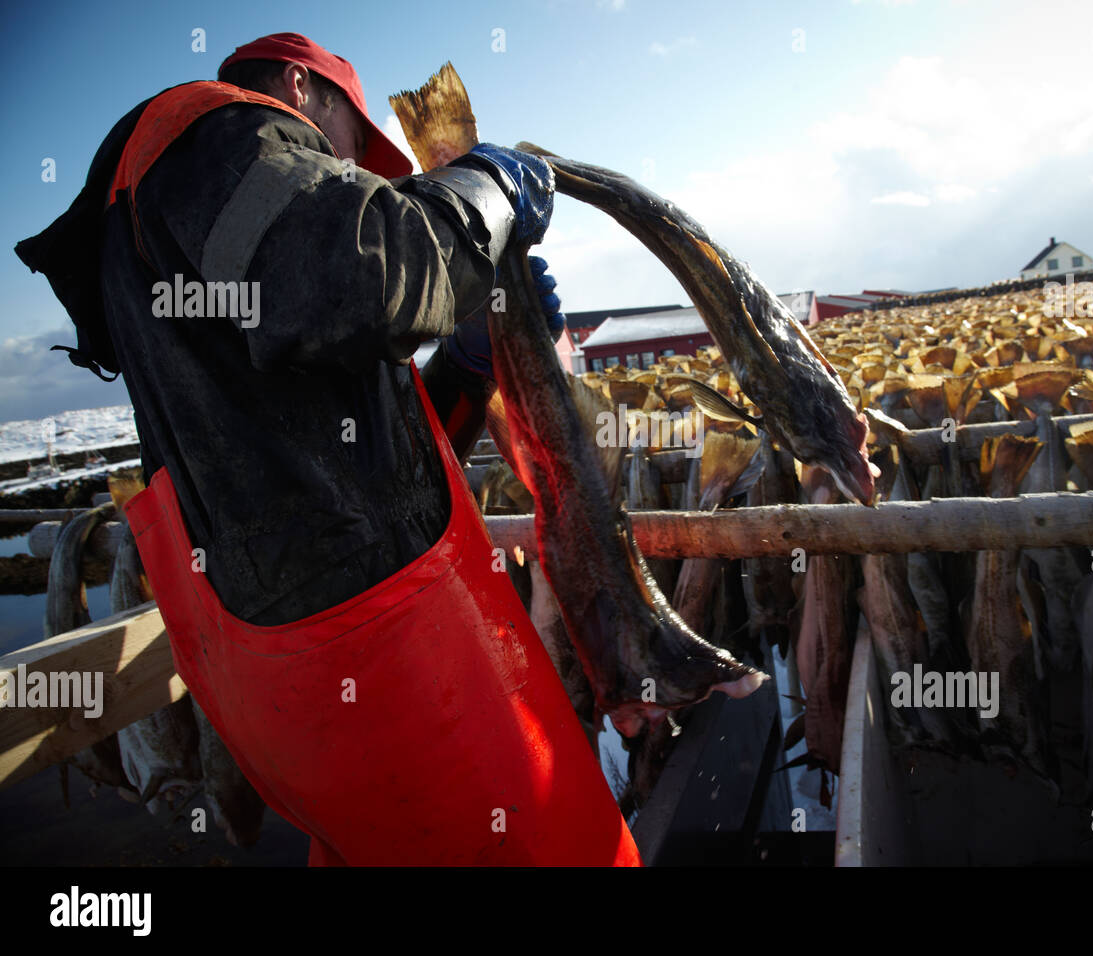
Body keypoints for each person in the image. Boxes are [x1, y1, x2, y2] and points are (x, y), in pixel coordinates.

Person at [16, 32, 640, 866]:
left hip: (281, 670)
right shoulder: (215, 128)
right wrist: (486, 189)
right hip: (380, 660)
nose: (354, 173)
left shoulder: (171, 233)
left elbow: (338, 458)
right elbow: (369, 276)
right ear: (303, 90)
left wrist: (460, 368)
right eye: (353, 148)